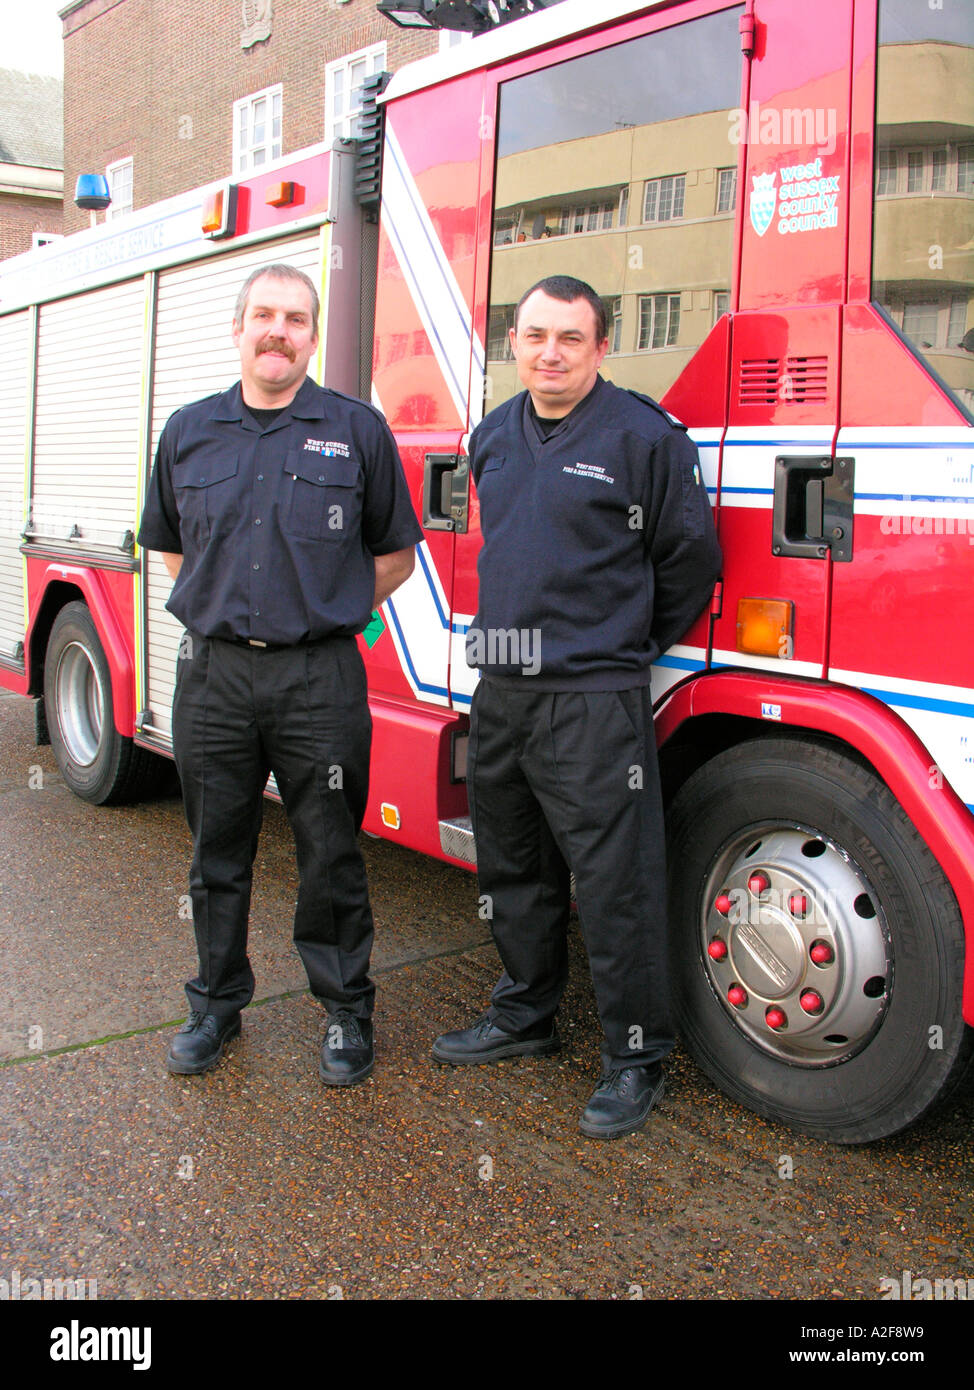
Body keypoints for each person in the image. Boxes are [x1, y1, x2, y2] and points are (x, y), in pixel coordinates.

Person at [433, 274, 722, 1139]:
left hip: (594, 702)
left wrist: (619, 647)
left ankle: (635, 1059)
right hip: (503, 689)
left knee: (616, 885)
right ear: (513, 344)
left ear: (601, 347)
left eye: (570, 338)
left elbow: (689, 565)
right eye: (534, 337)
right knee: (513, 870)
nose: (550, 353)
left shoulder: (645, 439)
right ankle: (524, 1016)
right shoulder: (492, 437)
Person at [139, 263, 422, 1084]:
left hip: (319, 680)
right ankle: (216, 1007)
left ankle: (344, 1014)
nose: (278, 331)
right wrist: (231, 611)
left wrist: (324, 606)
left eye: (296, 319)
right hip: (215, 679)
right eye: (264, 314)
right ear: (239, 328)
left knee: (330, 850)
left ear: (311, 334)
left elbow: (395, 555)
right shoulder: (189, 430)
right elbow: (167, 547)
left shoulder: (356, 430)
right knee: (214, 850)